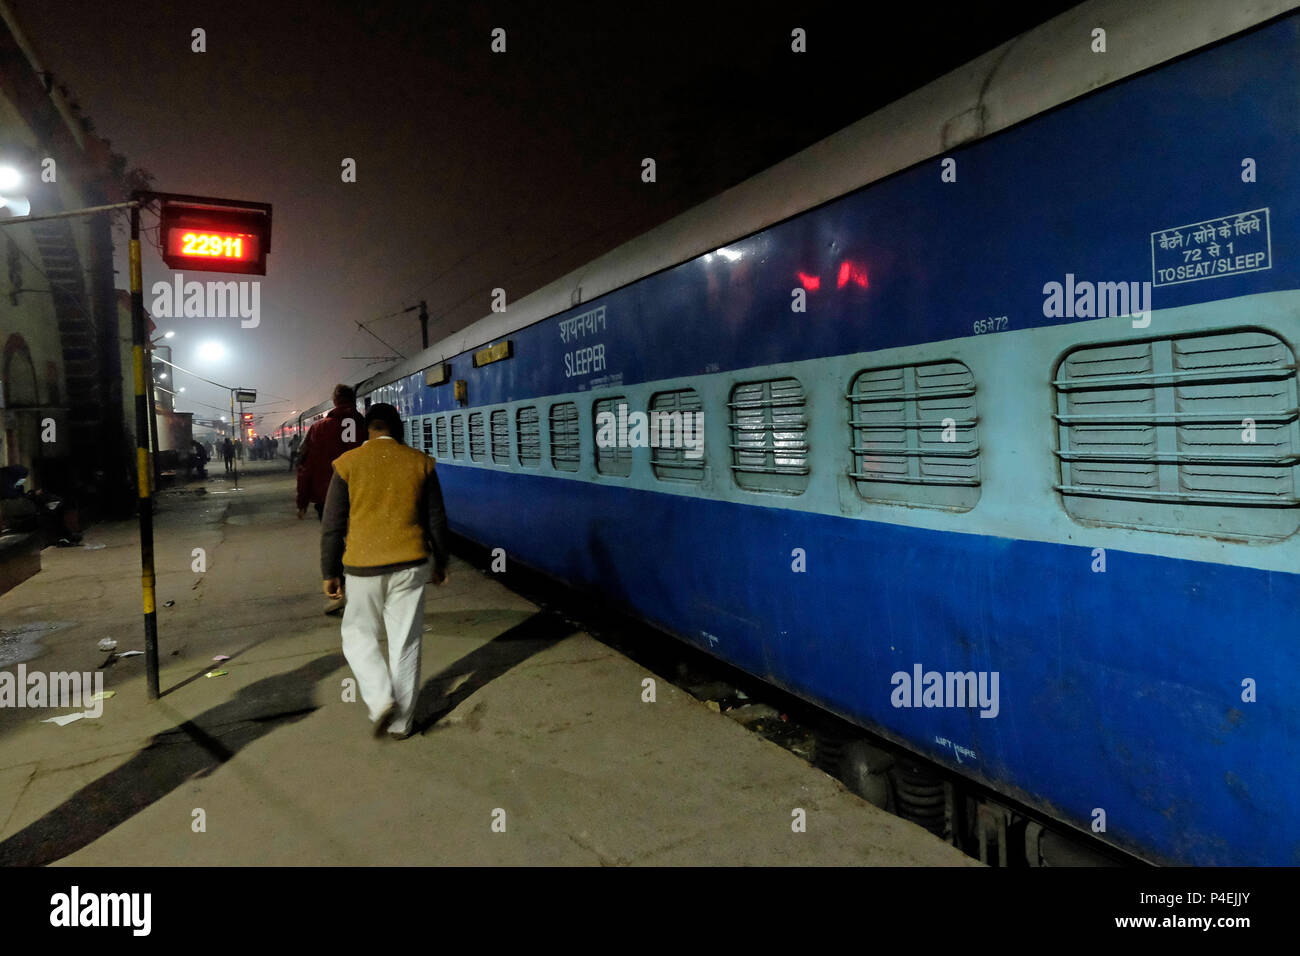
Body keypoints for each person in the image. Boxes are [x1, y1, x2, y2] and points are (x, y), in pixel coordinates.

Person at [320, 402, 450, 740]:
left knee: (357, 634)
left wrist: (329, 571)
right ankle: (401, 724)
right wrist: (441, 561)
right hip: (411, 564)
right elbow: (436, 518)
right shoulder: (419, 462)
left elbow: (332, 525)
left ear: (368, 429)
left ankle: (380, 701)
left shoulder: (347, 464)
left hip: (362, 568)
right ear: (398, 428)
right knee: (405, 642)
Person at [296, 384, 366, 522]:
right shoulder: (368, 426)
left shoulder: (317, 429)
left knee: (332, 539)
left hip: (328, 497)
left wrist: (302, 503)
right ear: (353, 400)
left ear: (335, 401)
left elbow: (306, 468)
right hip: (362, 496)